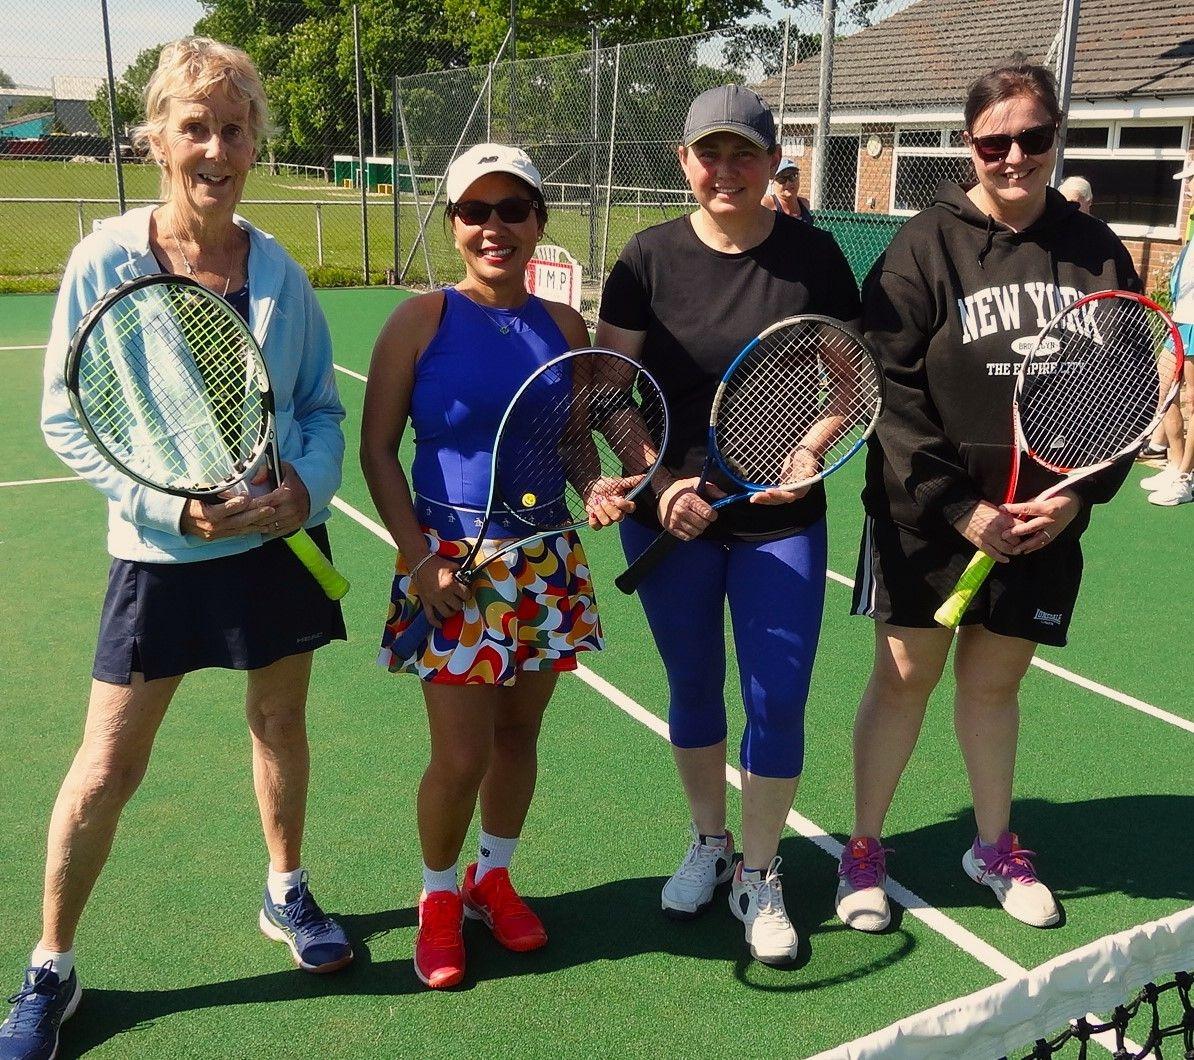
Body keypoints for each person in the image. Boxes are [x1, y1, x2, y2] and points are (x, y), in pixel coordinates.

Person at [1, 36, 351, 1060]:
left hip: (277, 545)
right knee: (108, 763)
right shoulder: (105, 260)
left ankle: (285, 889)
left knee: (279, 721)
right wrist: (165, 508)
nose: (215, 149)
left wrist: (304, 488)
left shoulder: (279, 272)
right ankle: (52, 964)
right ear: (156, 138)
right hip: (161, 557)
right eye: (194, 127)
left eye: (234, 130)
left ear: (254, 144)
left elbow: (319, 410)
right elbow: (68, 416)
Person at [837, 55, 1141, 935]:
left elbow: (1125, 386)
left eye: (1032, 138)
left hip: (1042, 518)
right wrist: (959, 506)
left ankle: (994, 846)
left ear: (1056, 137)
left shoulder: (1096, 249)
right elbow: (888, 389)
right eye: (992, 143)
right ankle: (864, 849)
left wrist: (1078, 497)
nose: (1014, 157)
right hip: (925, 514)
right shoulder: (923, 245)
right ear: (969, 146)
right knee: (904, 677)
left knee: (995, 683)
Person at [597, 85, 861, 965]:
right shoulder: (646, 258)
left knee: (776, 696)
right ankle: (709, 842)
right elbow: (609, 391)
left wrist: (810, 447)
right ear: (684, 161)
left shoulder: (814, 257)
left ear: (773, 162)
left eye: (743, 153)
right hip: (668, 518)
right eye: (708, 153)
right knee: (694, 684)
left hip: (781, 517)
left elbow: (852, 381)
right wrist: (656, 479)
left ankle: (759, 870)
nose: (725, 170)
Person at [360, 143, 634, 990]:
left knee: (519, 737)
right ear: (452, 223)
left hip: (544, 560)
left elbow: (571, 441)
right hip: (451, 569)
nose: (494, 227)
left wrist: (594, 486)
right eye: (475, 211)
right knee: (460, 756)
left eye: (512, 210)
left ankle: (494, 878)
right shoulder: (421, 320)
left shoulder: (565, 326)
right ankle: (439, 895)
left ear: (538, 222)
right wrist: (419, 562)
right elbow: (378, 452)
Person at [1140, 200, 1194, 506]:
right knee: (1165, 391)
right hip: (1180, 320)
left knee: (1193, 400)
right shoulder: (1191, 227)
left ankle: (1186, 477)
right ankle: (1174, 464)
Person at [762, 157, 814, 222]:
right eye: (782, 179)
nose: (788, 183)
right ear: (773, 182)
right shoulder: (767, 204)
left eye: (793, 176)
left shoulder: (804, 204)